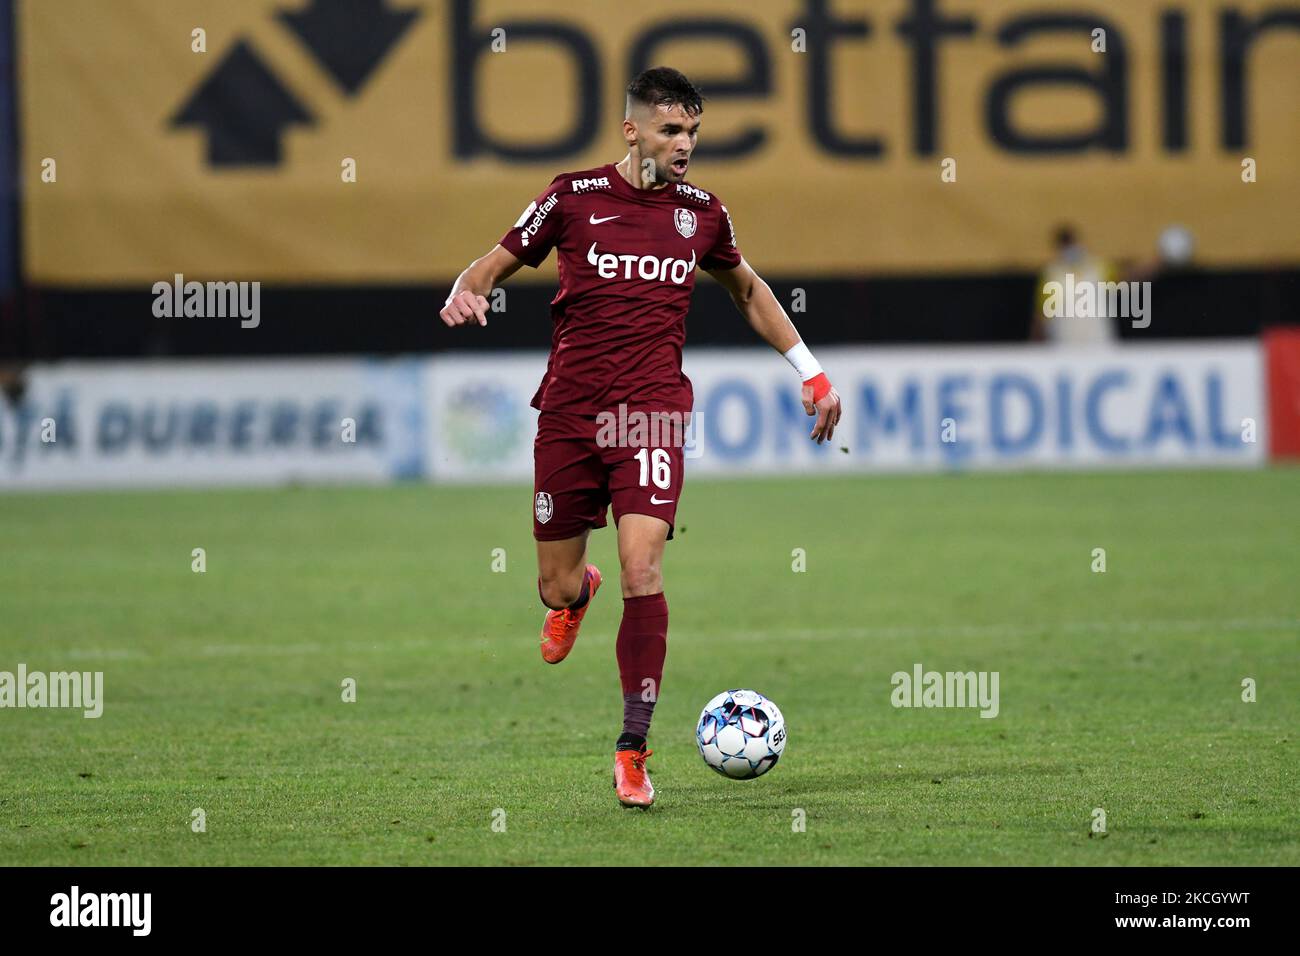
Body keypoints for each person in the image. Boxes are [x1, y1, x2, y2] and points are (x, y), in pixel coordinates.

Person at [439, 66, 842, 808]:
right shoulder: (571, 198)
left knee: (643, 570)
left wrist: (811, 372)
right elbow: (490, 266)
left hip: (652, 414)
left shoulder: (703, 214)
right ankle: (574, 594)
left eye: (692, 131)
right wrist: (467, 291)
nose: (683, 144)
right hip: (569, 414)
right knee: (554, 583)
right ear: (633, 131)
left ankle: (632, 749)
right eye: (669, 130)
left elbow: (747, 290)